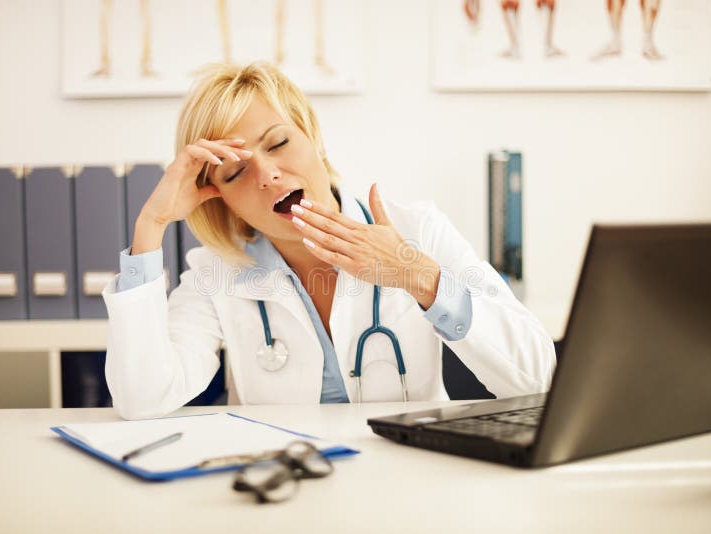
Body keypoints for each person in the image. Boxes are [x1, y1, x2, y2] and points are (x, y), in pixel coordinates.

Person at [102, 61, 556, 420]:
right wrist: (151, 224)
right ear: (222, 201)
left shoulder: (419, 231)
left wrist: (417, 275)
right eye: (236, 171)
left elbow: (537, 378)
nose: (267, 174)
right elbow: (144, 399)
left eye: (277, 143)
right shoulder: (215, 270)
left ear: (314, 137)